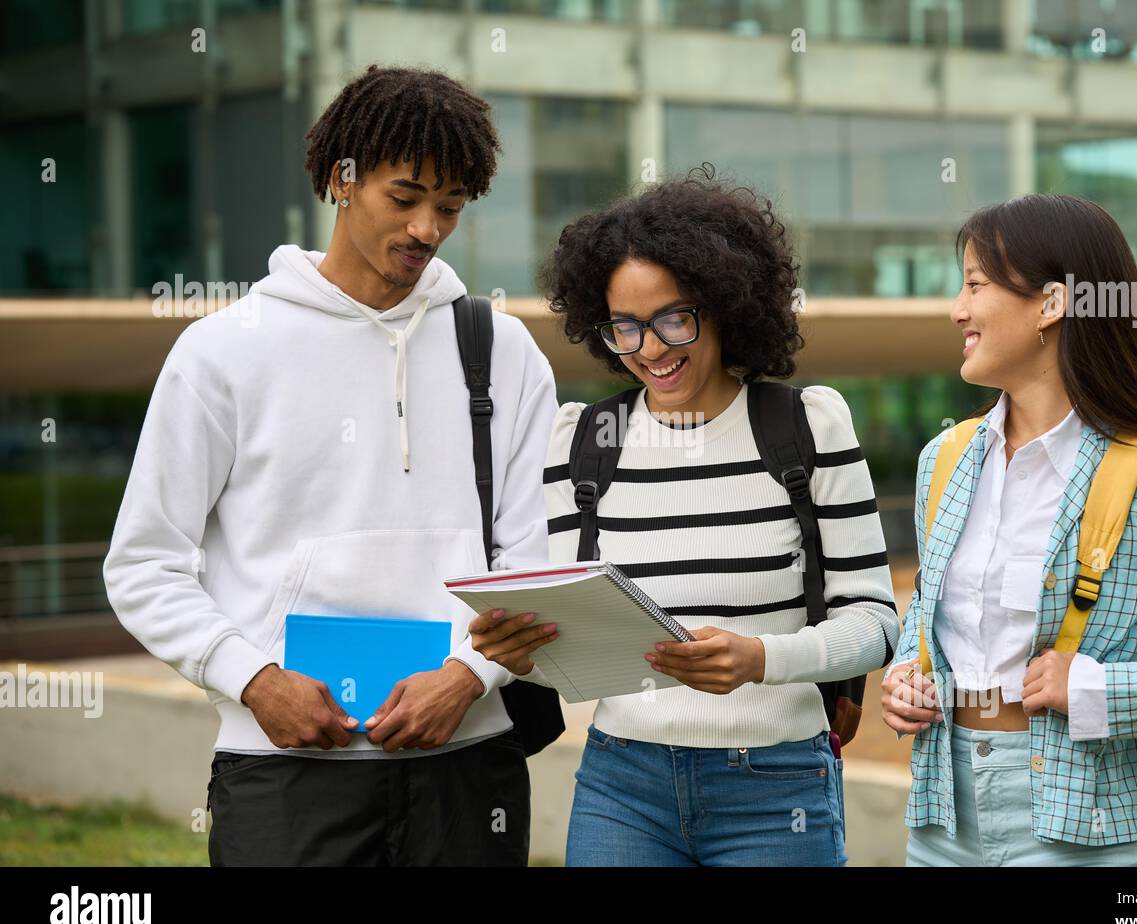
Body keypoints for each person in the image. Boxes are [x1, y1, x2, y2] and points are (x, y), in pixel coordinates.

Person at [103, 65, 559, 866]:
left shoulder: (502, 351)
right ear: (341, 180)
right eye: (406, 196)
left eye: (450, 207)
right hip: (282, 770)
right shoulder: (223, 352)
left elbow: (535, 561)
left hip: (468, 762)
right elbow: (145, 564)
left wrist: (466, 677)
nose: (428, 228)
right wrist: (253, 680)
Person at [468, 165, 899, 866]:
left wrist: (762, 659)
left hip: (776, 784)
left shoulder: (807, 427)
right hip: (622, 783)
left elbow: (876, 623)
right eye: (624, 328)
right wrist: (524, 653)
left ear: (727, 303)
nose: (651, 349)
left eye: (673, 318)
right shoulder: (578, 443)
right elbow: (567, 654)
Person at [880, 193, 1137, 866]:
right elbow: (931, 611)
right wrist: (908, 672)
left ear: (1050, 304)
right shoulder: (945, 460)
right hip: (941, 817)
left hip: (1090, 825)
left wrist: (1104, 692)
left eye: (976, 285)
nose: (956, 309)